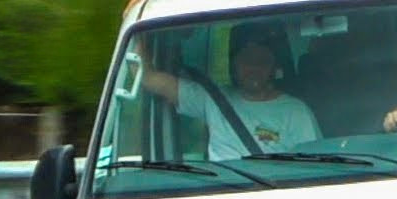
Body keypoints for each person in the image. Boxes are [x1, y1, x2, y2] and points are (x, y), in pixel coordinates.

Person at [137, 25, 321, 160]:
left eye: (262, 61)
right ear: (234, 65)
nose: (253, 68)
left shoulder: (296, 112)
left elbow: (313, 166)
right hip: (221, 195)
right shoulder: (212, 99)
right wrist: (135, 22)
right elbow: (147, 77)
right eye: (246, 60)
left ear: (274, 68)